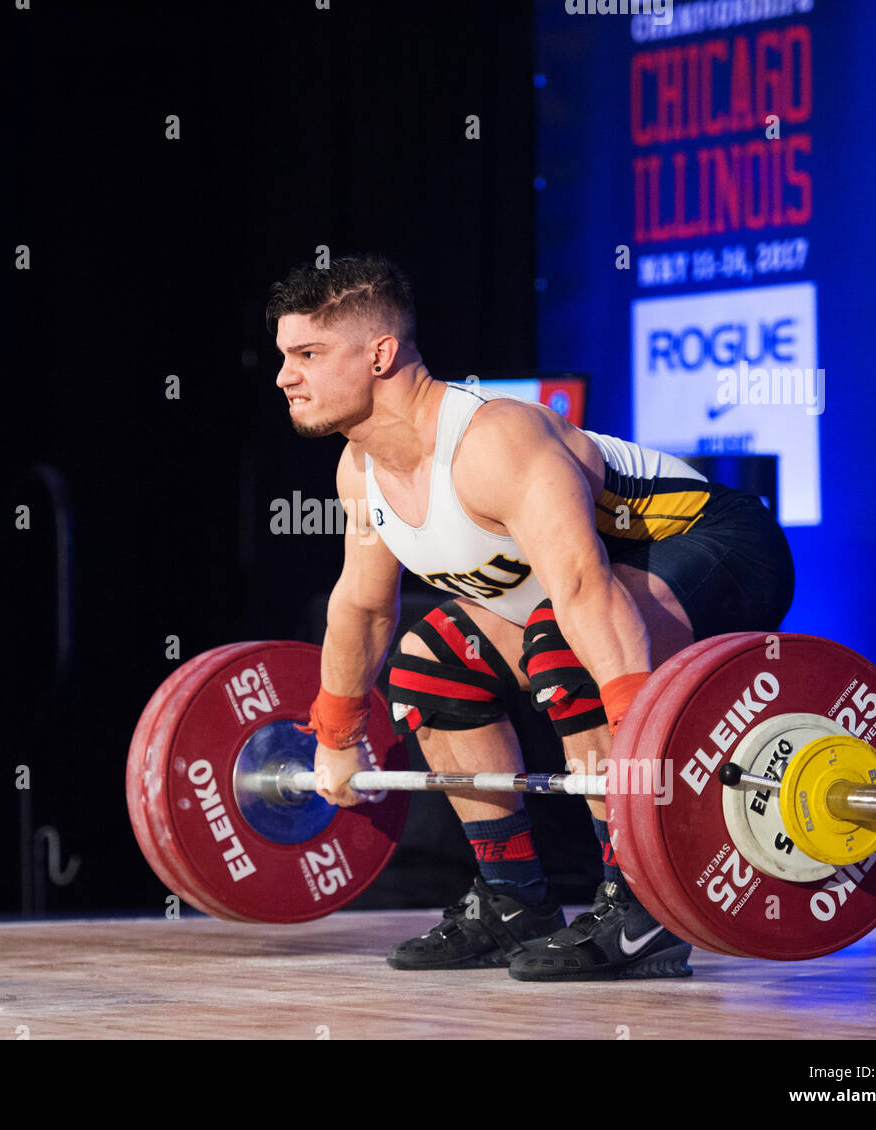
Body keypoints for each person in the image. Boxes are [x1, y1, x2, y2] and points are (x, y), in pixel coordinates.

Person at [265, 253, 795, 980]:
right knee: (429, 667)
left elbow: (583, 589)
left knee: (562, 641)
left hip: (724, 549)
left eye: (308, 355)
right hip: (581, 599)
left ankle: (644, 909)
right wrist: (336, 735)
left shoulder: (494, 441)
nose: (285, 376)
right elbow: (361, 607)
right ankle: (515, 901)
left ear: (380, 353)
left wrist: (637, 731)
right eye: (285, 356)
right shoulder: (359, 471)